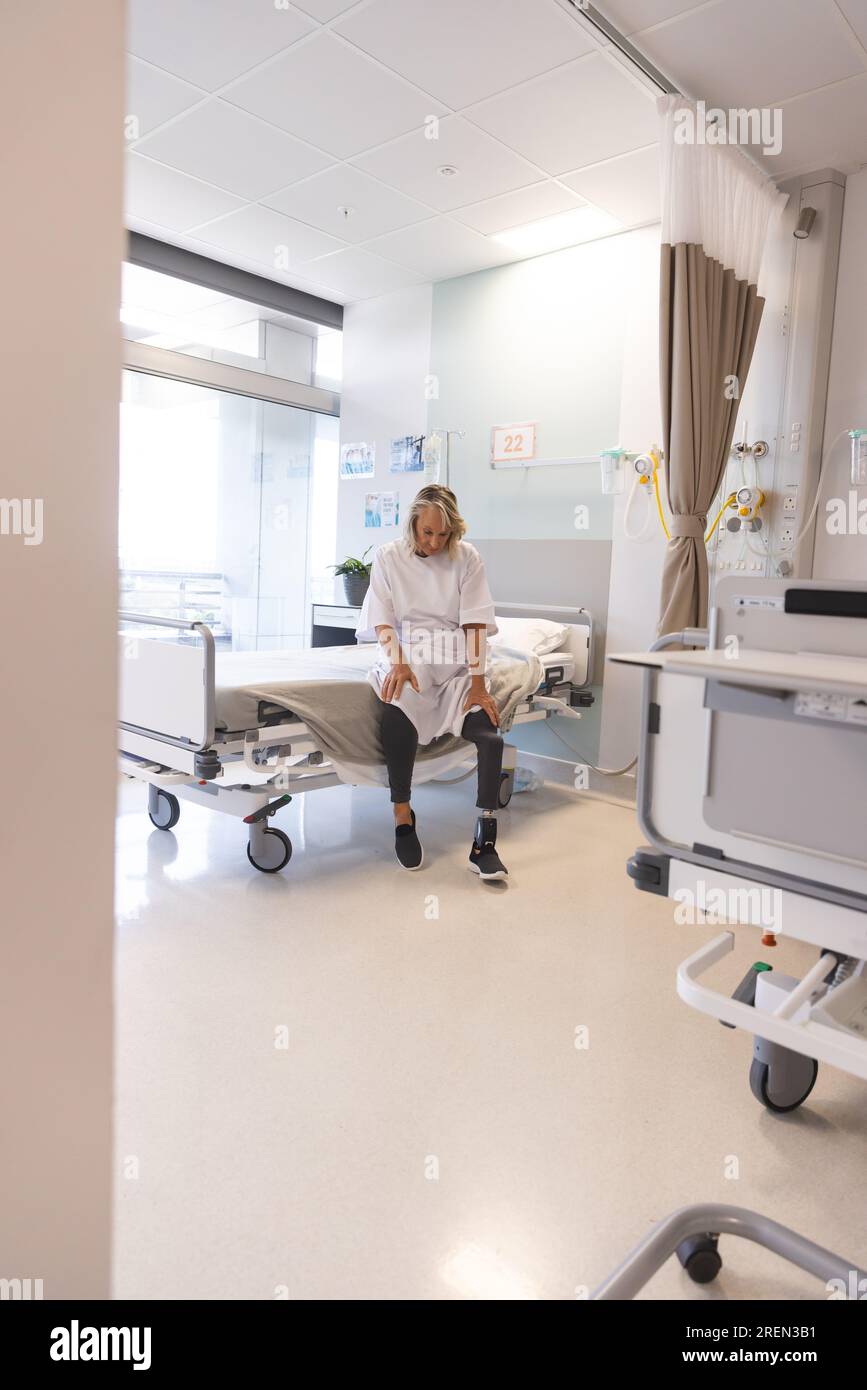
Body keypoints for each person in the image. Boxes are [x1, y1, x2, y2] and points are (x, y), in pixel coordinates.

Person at [355, 485, 508, 881]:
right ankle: (403, 816)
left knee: (490, 737)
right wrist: (399, 663)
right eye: (427, 533)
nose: (435, 542)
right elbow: (383, 619)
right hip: (404, 649)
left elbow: (474, 623)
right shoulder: (388, 557)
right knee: (398, 705)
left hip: (455, 657)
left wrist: (478, 684)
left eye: (443, 534)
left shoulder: (467, 557)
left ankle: (484, 842)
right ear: (413, 526)